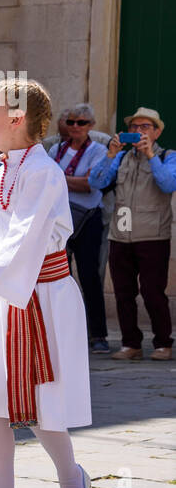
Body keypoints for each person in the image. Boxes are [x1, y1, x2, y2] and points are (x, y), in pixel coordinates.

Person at [0, 78, 92, 488]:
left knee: (41, 399)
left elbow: (25, 237)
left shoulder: (43, 172)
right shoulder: (3, 172)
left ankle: (72, 481)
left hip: (42, 298)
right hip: (1, 298)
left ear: (16, 119)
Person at [90, 106, 175, 361]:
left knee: (152, 292)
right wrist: (110, 154)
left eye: (145, 127)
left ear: (157, 132)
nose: (138, 132)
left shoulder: (168, 156)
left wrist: (150, 155)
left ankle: (163, 343)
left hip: (153, 235)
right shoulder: (121, 157)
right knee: (123, 292)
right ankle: (131, 344)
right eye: (134, 128)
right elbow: (96, 182)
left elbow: (168, 184)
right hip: (121, 234)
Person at [48, 104, 110, 353]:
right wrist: (71, 181)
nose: (75, 127)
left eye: (81, 123)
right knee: (60, 277)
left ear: (91, 126)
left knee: (90, 277)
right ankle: (66, 332)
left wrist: (59, 178)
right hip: (59, 218)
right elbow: (50, 182)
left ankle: (98, 335)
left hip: (87, 219)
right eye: (72, 122)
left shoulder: (98, 150)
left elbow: (90, 184)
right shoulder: (55, 149)